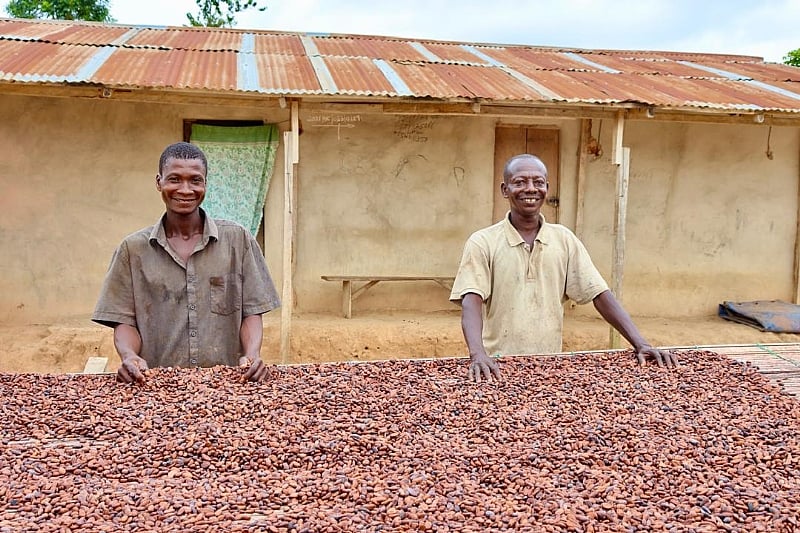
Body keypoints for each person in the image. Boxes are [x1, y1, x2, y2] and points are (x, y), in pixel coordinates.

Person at [450, 154, 678, 383]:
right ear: (505, 189)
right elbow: (472, 300)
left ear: (547, 188)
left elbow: (598, 293)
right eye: (519, 182)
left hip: (550, 365)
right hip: (497, 365)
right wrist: (478, 354)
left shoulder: (564, 240)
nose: (530, 189)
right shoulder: (483, 242)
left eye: (538, 182)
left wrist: (641, 343)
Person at [92, 142, 280, 383]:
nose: (185, 189)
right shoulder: (133, 250)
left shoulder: (238, 240)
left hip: (228, 385)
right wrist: (129, 356)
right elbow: (124, 321)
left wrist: (252, 354)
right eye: (174, 179)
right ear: (158, 182)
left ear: (205, 184)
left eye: (195, 180)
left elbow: (251, 312)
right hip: (154, 387)